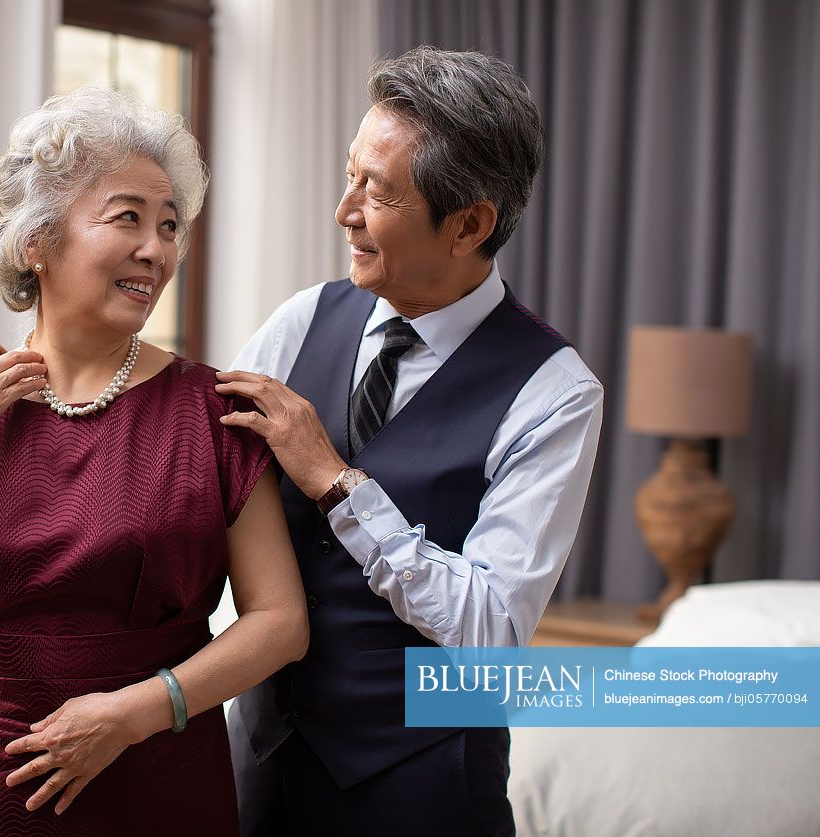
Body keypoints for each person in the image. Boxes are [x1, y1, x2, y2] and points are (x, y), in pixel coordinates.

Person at [0, 87, 308, 836]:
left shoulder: (210, 410)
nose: (157, 249)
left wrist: (133, 712)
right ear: (37, 241)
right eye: (127, 217)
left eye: (169, 226)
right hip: (9, 784)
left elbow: (280, 622)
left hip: (166, 773)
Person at [218, 47, 604, 836]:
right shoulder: (301, 320)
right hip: (259, 760)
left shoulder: (554, 391)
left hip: (423, 786)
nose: (344, 211)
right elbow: (193, 481)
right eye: (350, 176)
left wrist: (338, 484)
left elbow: (492, 632)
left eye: (378, 191)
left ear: (469, 224)